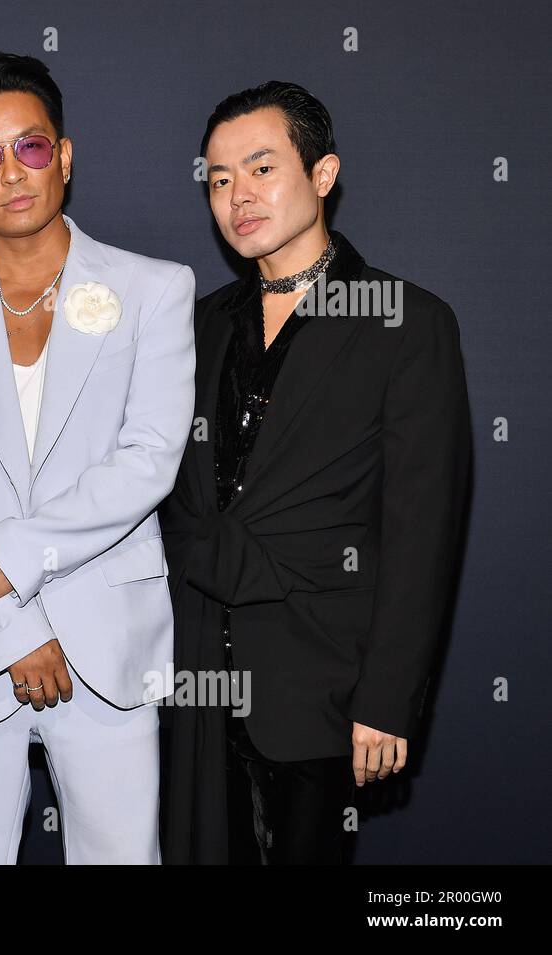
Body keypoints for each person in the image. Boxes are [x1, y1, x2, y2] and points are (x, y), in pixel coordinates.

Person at [0, 51, 195, 864]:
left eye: (30, 147)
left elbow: (149, 458)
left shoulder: (154, 290)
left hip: (108, 644)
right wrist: (15, 625)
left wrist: (14, 560)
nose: (12, 174)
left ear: (63, 155)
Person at [159, 81, 471, 864]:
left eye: (261, 169)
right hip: (197, 676)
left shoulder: (407, 322)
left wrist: (388, 701)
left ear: (323, 174)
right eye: (220, 179)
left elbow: (421, 531)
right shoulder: (198, 323)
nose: (238, 196)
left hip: (323, 686)